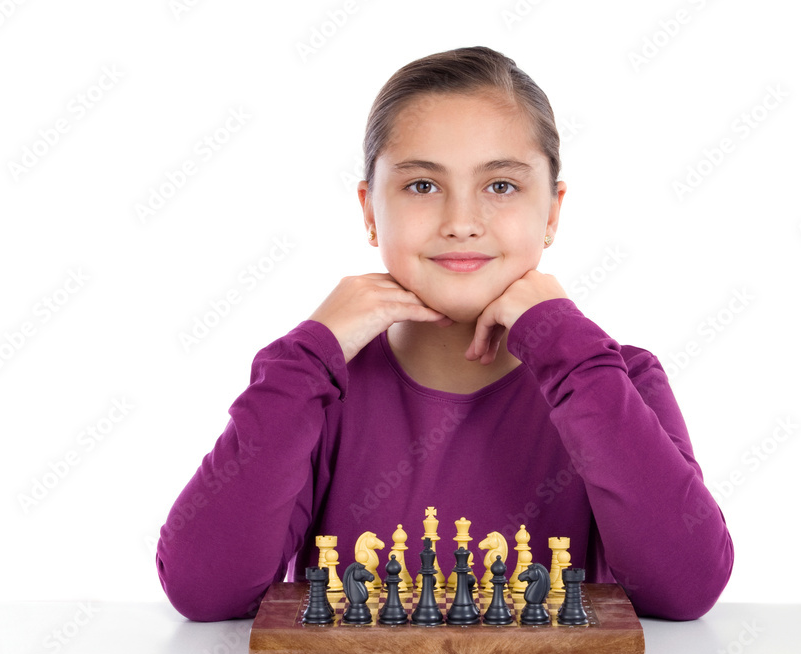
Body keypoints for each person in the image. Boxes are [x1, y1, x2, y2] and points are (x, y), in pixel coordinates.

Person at [155, 46, 733, 622]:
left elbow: (684, 590)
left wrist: (569, 347)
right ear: (369, 211)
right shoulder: (316, 389)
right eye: (422, 186)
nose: (461, 221)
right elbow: (206, 592)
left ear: (553, 212)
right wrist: (308, 355)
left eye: (501, 185)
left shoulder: (616, 380)